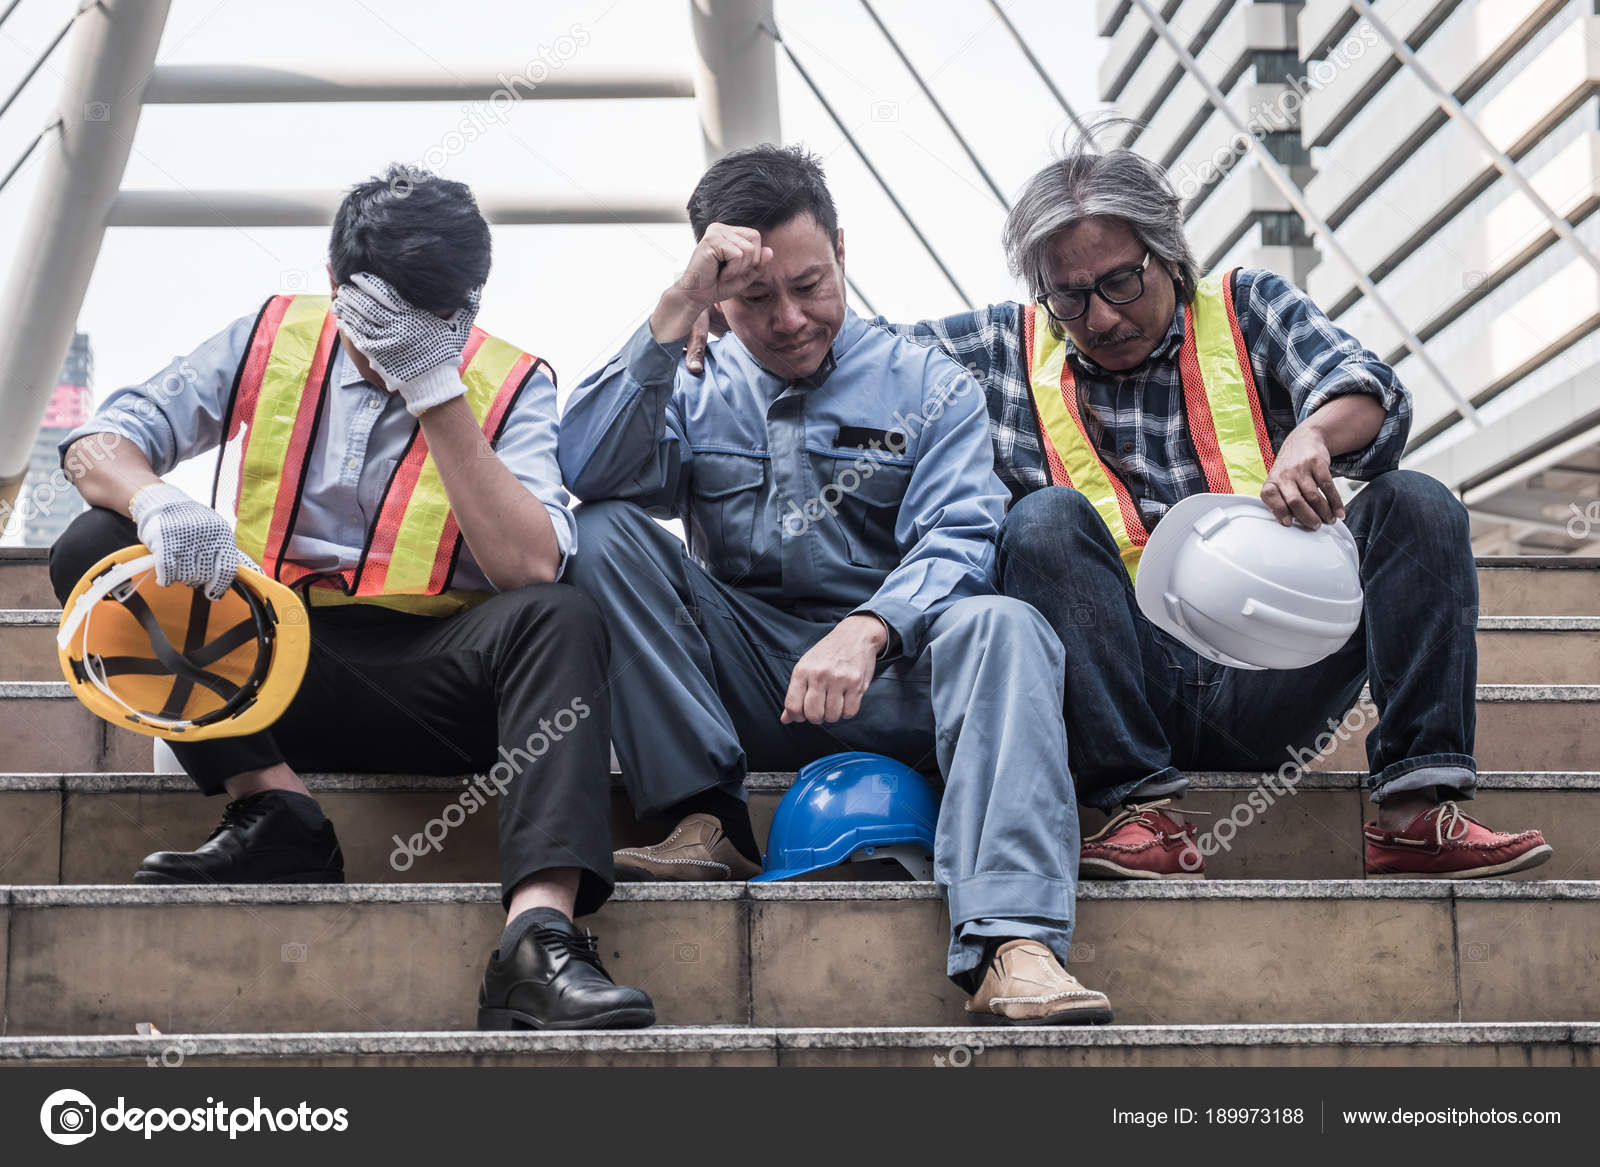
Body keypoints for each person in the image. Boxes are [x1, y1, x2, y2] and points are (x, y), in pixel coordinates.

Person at [821, 132, 1549, 880]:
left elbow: (1370, 392)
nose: (1100, 318)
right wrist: (759, 282)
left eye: (1120, 283)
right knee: (1041, 521)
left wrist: (1312, 435)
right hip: (1124, 685)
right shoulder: (1005, 347)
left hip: (1278, 671)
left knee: (1418, 503)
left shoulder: (1247, 307)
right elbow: (836, 345)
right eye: (1070, 296)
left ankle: (1416, 813)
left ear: (1168, 255)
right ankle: (1140, 812)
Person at [51, 166, 654, 1030]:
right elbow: (94, 443)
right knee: (94, 544)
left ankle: (536, 941)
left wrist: (434, 385)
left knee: (561, 616)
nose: (409, 336)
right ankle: (275, 808)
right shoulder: (271, 336)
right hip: (266, 669)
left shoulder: (512, 381)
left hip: (438, 687)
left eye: (440, 318)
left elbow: (531, 566)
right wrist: (154, 500)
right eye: (387, 315)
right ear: (338, 283)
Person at [557, 144, 1111, 1024]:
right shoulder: (692, 382)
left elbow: (963, 533)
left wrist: (872, 625)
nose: (788, 320)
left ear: (842, 251)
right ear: (717, 295)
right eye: (753, 298)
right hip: (748, 684)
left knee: (1003, 623)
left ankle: (1016, 945)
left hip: (899, 681)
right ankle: (705, 818)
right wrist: (673, 311)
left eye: (809, 285)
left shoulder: (928, 383)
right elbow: (585, 470)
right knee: (600, 532)